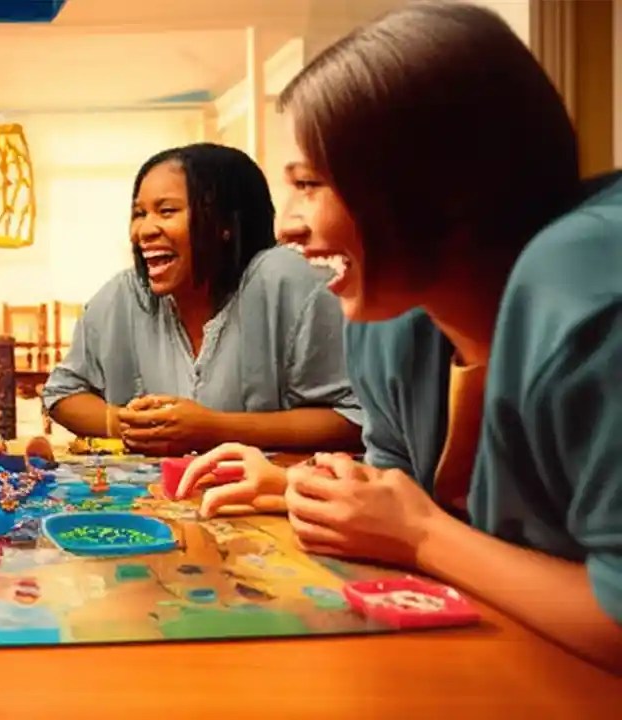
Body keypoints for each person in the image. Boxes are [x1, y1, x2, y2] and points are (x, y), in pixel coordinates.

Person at [177, 2, 621, 672]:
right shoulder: (391, 321)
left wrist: (420, 537)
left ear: (437, 186)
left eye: (309, 184)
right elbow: (395, 495)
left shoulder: (589, 298)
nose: (287, 226)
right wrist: (302, 491)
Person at [42, 143, 362, 457]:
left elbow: (355, 418)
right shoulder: (123, 295)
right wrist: (123, 424)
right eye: (139, 213)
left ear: (225, 223)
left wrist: (216, 429)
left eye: (166, 211)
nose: (144, 230)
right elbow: (63, 393)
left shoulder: (286, 280)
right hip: (152, 491)